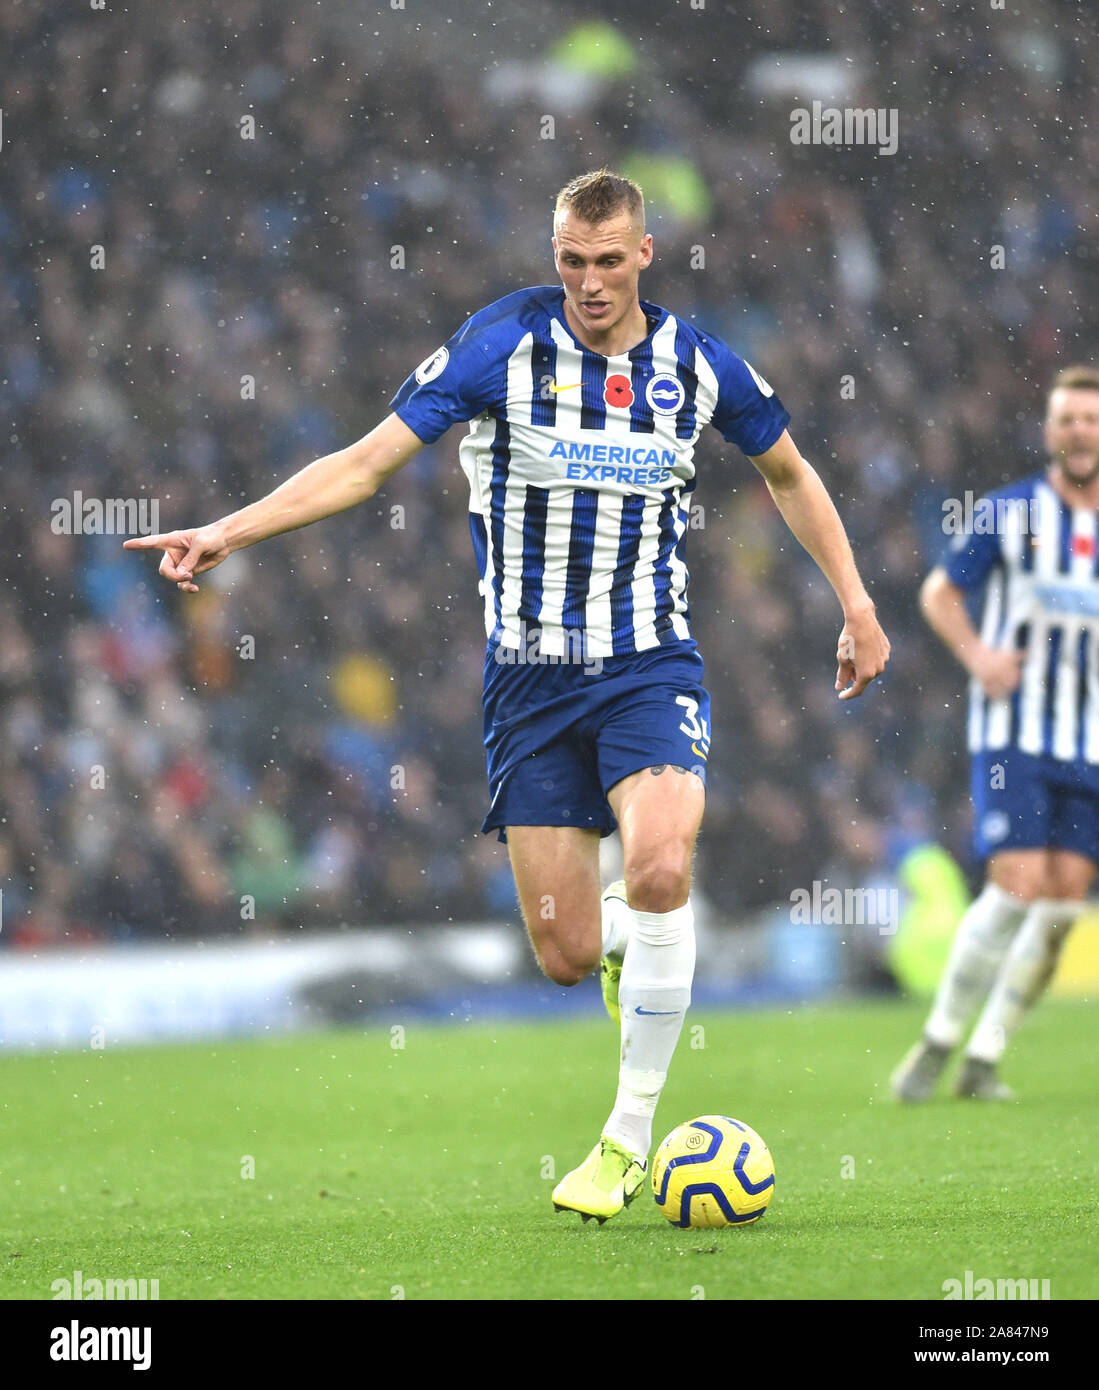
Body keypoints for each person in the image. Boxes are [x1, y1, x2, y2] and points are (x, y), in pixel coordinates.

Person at [126, 168, 889, 1221]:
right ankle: (629, 940)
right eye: (570, 261)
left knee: (665, 861)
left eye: (607, 261)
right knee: (568, 952)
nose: (587, 282)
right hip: (528, 681)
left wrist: (854, 600)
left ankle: (626, 1140)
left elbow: (791, 474)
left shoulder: (697, 366)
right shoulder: (499, 345)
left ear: (644, 256)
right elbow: (362, 465)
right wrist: (227, 530)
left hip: (645, 663)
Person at [892, 365, 1099, 1102]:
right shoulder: (1009, 513)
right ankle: (937, 1040)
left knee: (1062, 904)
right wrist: (978, 655)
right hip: (1015, 732)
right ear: (1048, 432)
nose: (1078, 432)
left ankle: (983, 1057)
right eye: (1066, 419)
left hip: (1090, 745)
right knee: (1014, 889)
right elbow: (939, 592)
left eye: (1089, 419)